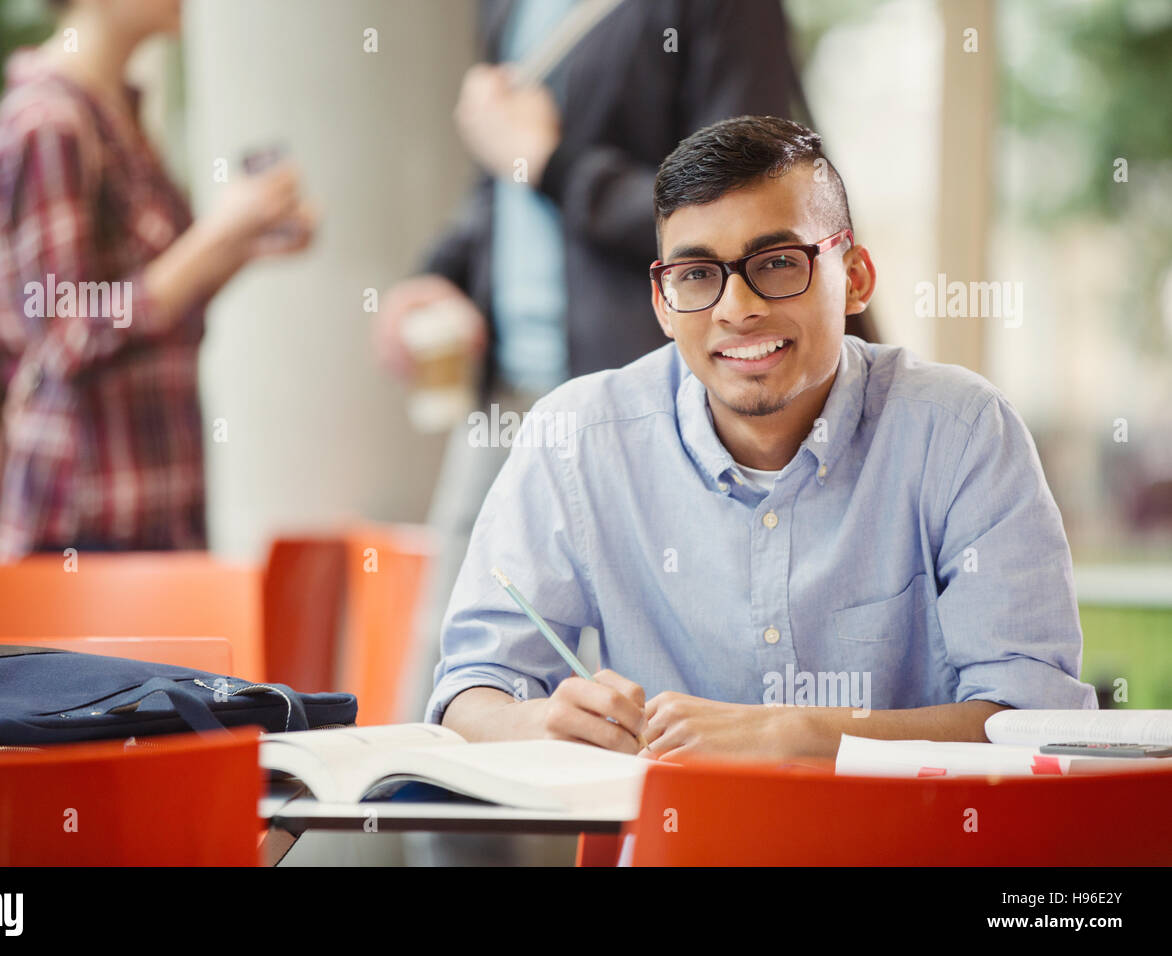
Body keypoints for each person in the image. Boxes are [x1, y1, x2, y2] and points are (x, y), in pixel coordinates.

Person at [426, 116, 1097, 759]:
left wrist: (794, 735)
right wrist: (540, 720)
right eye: (695, 274)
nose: (737, 308)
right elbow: (469, 694)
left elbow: (1033, 717)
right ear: (663, 303)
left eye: (777, 263)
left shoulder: (962, 432)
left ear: (855, 277)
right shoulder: (576, 439)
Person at [376, 0, 804, 725]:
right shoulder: (511, 7)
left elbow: (745, 212)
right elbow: (500, 186)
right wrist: (441, 273)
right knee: (454, 701)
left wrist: (551, 161)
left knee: (639, 709)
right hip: (506, 396)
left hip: (651, 398)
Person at [0, 0, 314, 559]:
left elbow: (154, 311)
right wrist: (213, 237)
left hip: (155, 503)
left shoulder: (117, 114)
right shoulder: (48, 122)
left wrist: (242, 244)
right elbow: (67, 332)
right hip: (84, 520)